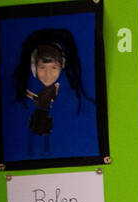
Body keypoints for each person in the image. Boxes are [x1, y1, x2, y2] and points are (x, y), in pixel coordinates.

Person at [11, 28, 93, 157]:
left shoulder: (72, 101)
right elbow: (39, 99)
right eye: (42, 67)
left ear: (62, 66)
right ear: (34, 67)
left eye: (54, 68)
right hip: (39, 115)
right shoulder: (38, 96)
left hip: (50, 121)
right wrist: (30, 95)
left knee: (45, 133)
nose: (48, 74)